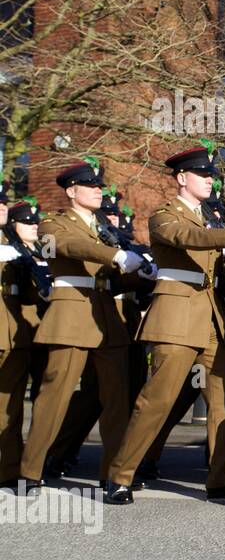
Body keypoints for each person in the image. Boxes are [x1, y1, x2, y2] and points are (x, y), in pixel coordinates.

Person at [102, 144, 225, 504]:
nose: (210, 180)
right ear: (182, 178)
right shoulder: (165, 214)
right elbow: (183, 238)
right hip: (175, 314)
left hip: (211, 316)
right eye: (203, 175)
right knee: (157, 399)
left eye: (211, 175)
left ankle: (219, 480)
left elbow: (219, 275)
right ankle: (121, 474)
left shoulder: (212, 221)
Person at [18, 159, 147, 490]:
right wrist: (113, 255)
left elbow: (116, 273)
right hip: (72, 315)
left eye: (99, 186)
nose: (98, 191)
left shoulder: (106, 228)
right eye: (91, 186)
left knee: (116, 402)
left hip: (107, 317)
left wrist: (140, 272)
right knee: (53, 397)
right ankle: (31, 471)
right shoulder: (53, 224)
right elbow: (68, 246)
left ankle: (115, 477)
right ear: (72, 191)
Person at [0, 198, 48, 488]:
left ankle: (17, 469)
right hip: (7, 333)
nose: (3, 207)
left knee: (17, 406)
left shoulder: (21, 248)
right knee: (7, 406)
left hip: (28, 332)